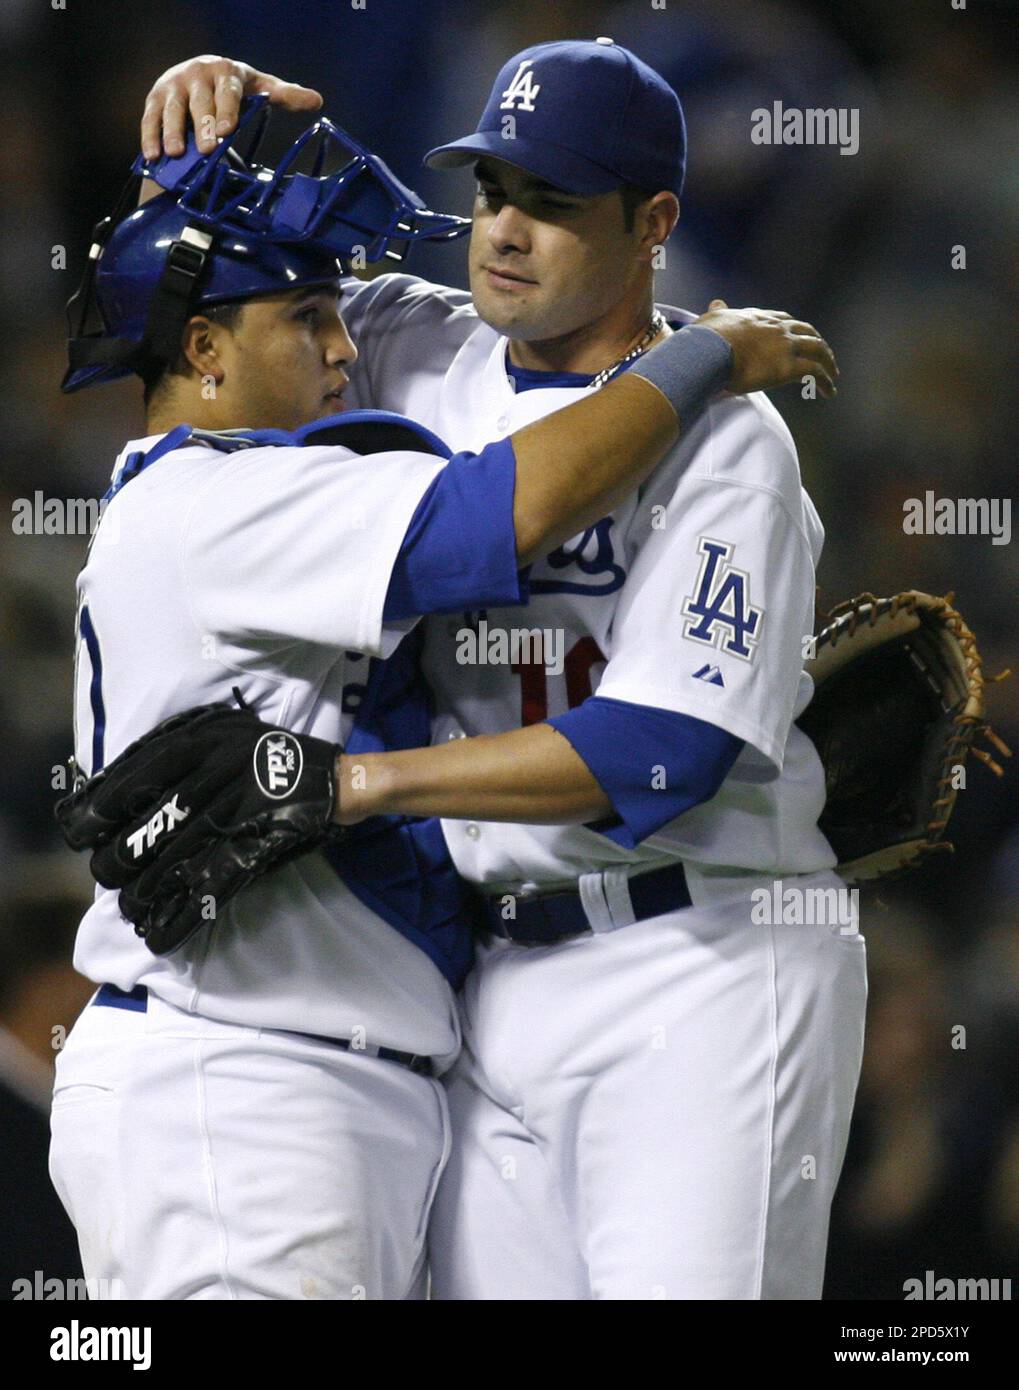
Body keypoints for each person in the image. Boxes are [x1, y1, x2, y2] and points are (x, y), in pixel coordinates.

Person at [107, 39, 863, 1302]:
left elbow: (658, 754)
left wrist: (353, 785)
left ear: (653, 222)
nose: (504, 231)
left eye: (553, 203)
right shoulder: (412, 341)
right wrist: (213, 100)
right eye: (491, 191)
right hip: (486, 986)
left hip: (696, 961)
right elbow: (190, 294)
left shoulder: (731, 442)